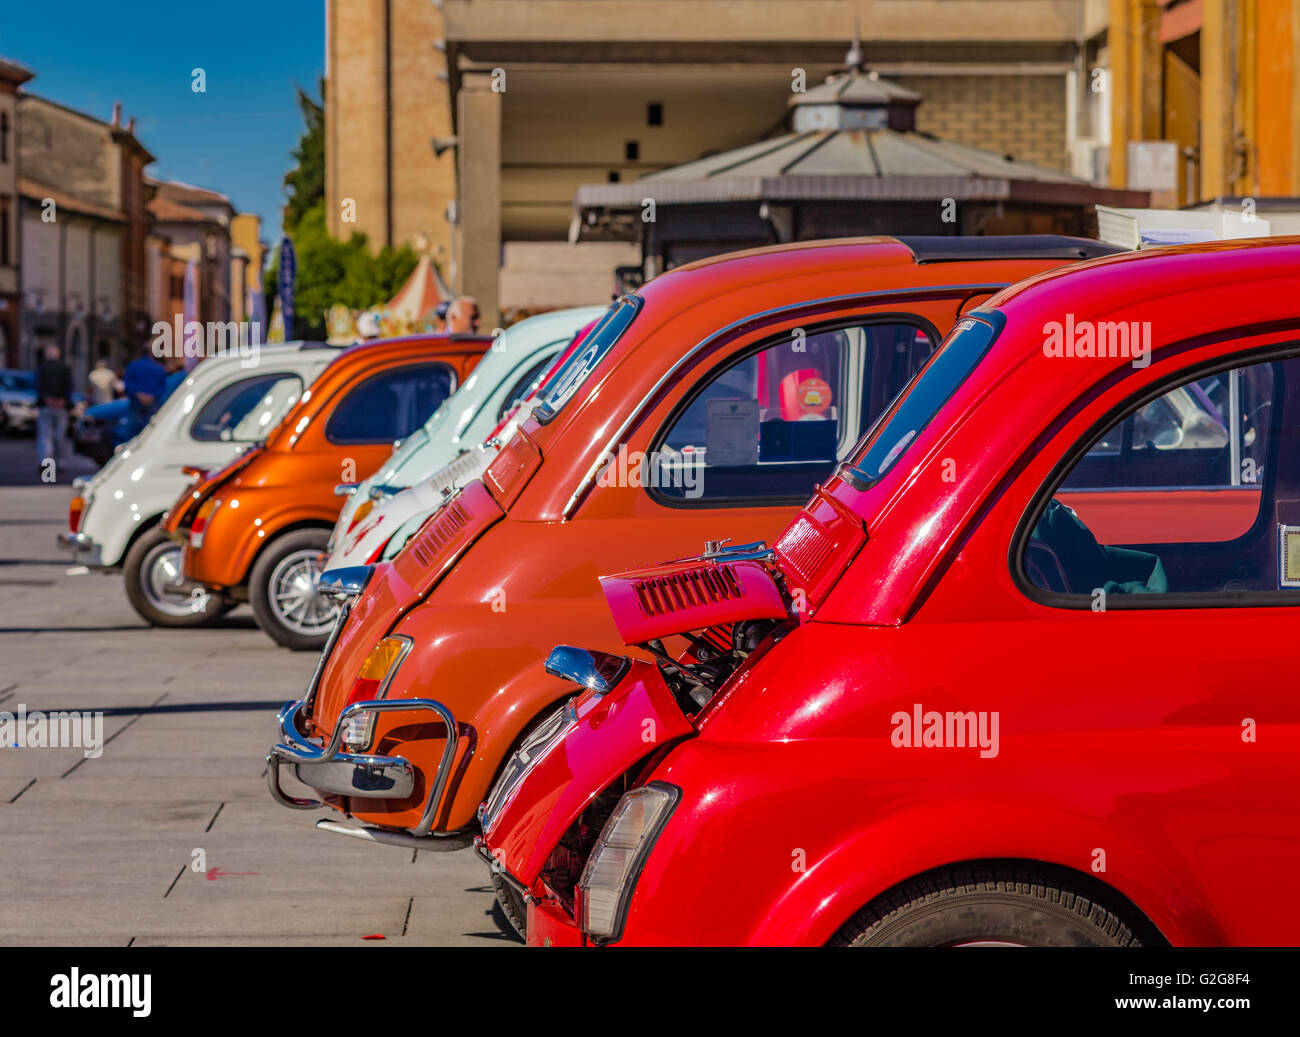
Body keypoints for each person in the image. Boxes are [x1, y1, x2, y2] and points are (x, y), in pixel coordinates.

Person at [35, 342, 73, 470]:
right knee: (60, 436)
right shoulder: (64, 368)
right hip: (61, 406)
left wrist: (47, 399)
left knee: (45, 436)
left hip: (46, 405)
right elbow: (70, 386)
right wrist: (62, 400)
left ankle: (46, 464)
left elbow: (38, 386)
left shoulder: (42, 368)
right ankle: (61, 463)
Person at [122, 340, 169, 430]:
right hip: (153, 403)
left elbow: (127, 384)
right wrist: (152, 396)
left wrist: (138, 394)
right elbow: (163, 387)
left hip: (136, 402)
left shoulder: (132, 366)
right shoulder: (159, 368)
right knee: (152, 429)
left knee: (133, 429)